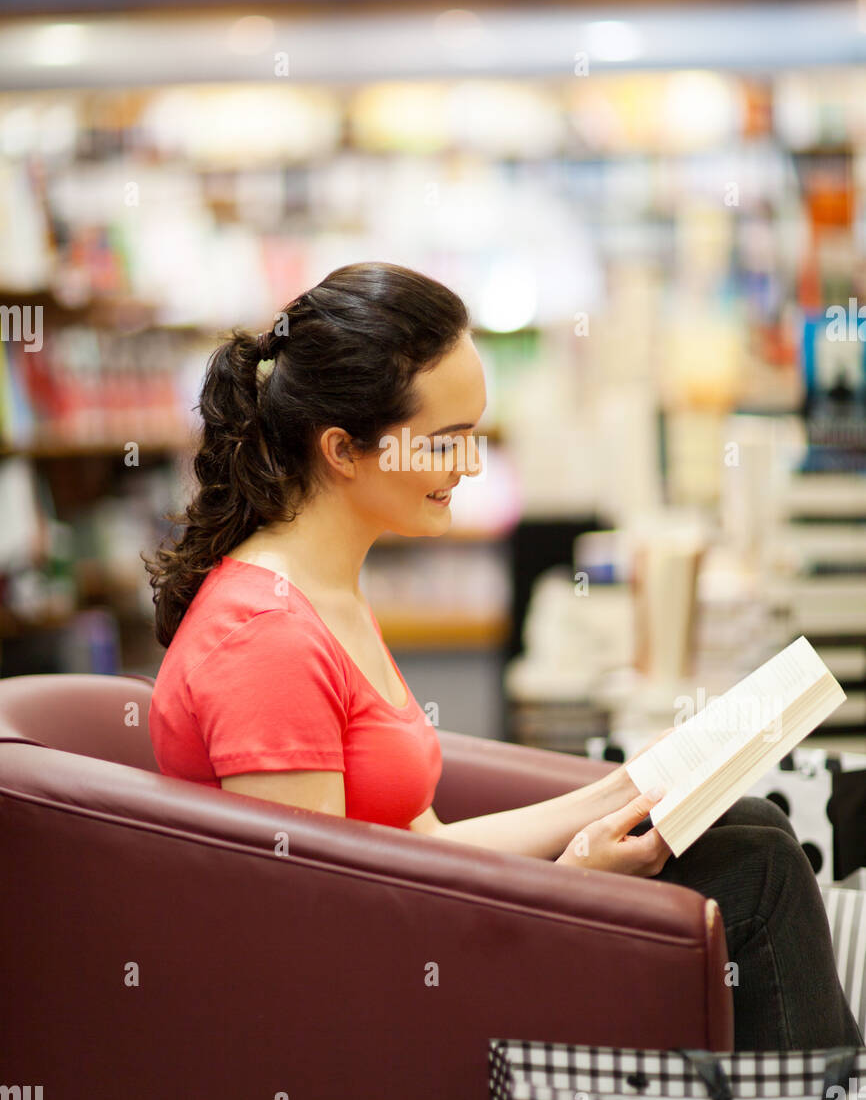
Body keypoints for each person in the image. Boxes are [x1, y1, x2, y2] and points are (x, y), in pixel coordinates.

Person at [145, 261, 862, 1055]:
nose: (471, 465)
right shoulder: (265, 638)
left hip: (417, 937)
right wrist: (567, 887)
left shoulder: (324, 594)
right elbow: (322, 920)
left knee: (745, 826)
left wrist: (620, 792)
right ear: (344, 449)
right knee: (755, 866)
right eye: (446, 441)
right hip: (375, 999)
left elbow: (413, 838)